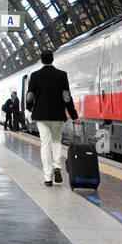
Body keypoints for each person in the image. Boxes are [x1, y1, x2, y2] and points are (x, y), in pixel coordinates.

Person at [25, 49, 79, 186]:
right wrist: (74, 116)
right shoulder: (61, 75)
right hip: (57, 114)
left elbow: (30, 95)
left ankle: (48, 177)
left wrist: (28, 108)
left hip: (41, 115)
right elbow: (66, 96)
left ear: (42, 60)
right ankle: (57, 167)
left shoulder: (35, 75)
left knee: (45, 144)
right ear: (52, 59)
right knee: (56, 141)